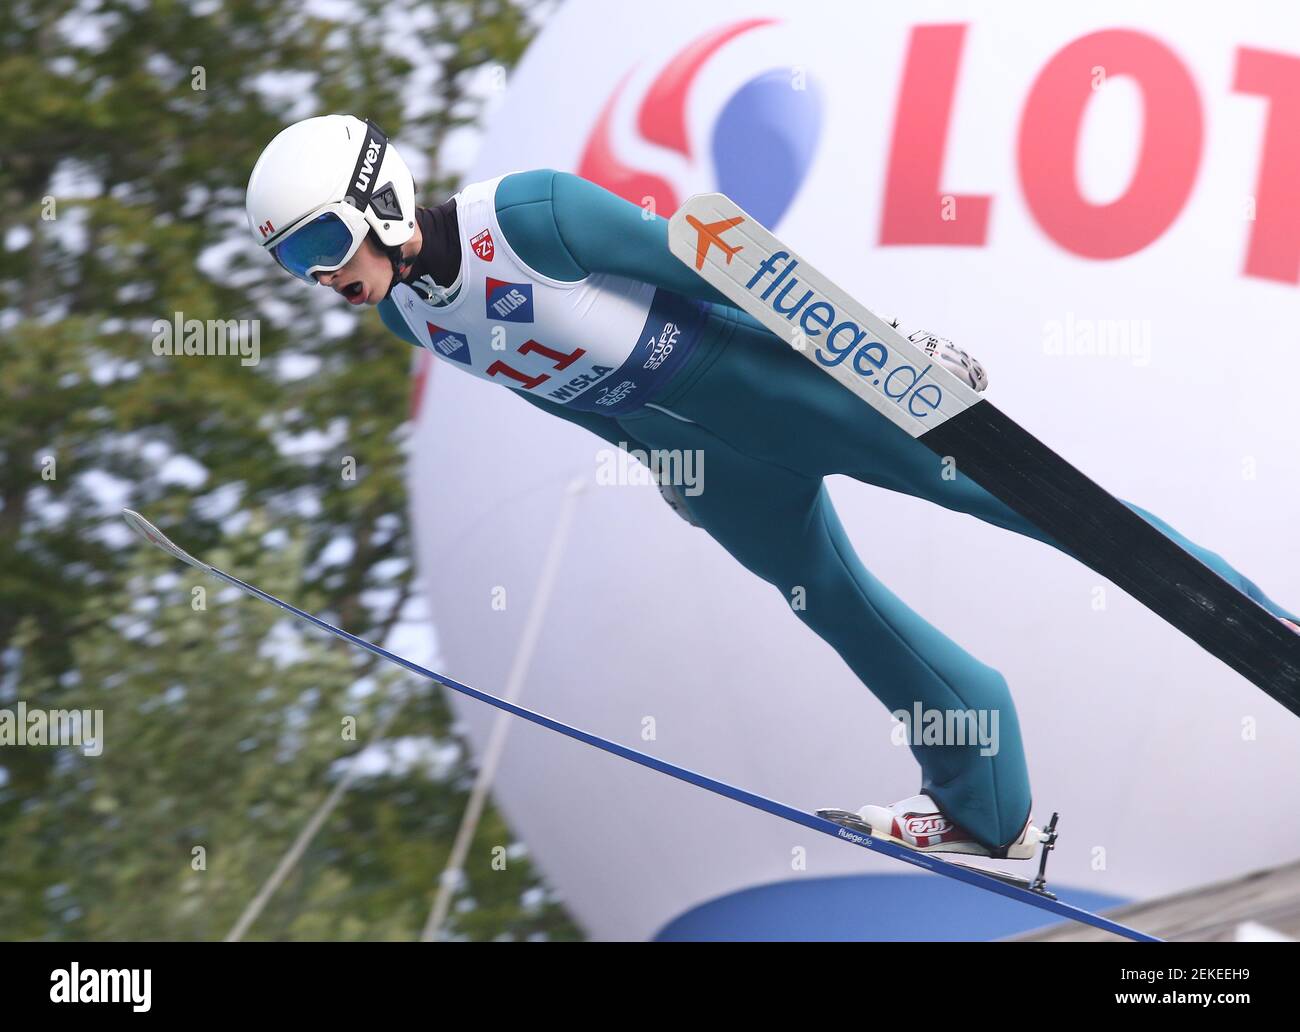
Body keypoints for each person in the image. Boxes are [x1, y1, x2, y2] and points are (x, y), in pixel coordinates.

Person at [246, 114, 1298, 861]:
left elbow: (711, 265)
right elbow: (552, 395)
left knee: (1042, 505)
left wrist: (881, 347)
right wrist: (657, 463)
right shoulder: (406, 315)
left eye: (323, 242)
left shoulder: (525, 215)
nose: (323, 276)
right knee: (835, 605)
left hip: (770, 385)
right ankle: (990, 810)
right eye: (297, 263)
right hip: (701, 455)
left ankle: (1269, 624)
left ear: (378, 201)